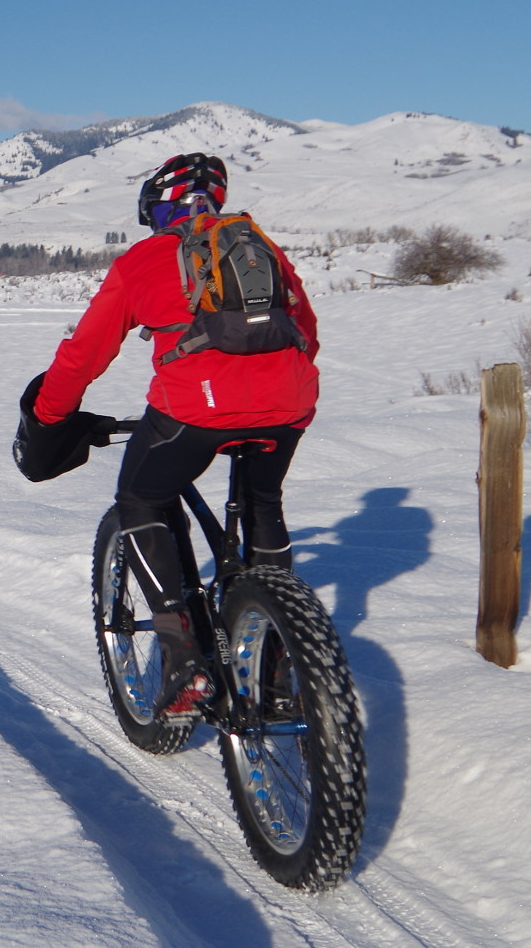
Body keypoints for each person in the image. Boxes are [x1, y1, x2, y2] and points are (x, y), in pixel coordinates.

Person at [25, 153, 319, 722]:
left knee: (141, 497)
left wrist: (48, 415)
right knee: (263, 498)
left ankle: (182, 654)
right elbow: (305, 328)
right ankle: (279, 658)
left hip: (195, 408)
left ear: (159, 208)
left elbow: (84, 355)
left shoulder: (145, 259)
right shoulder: (259, 244)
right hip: (290, 402)